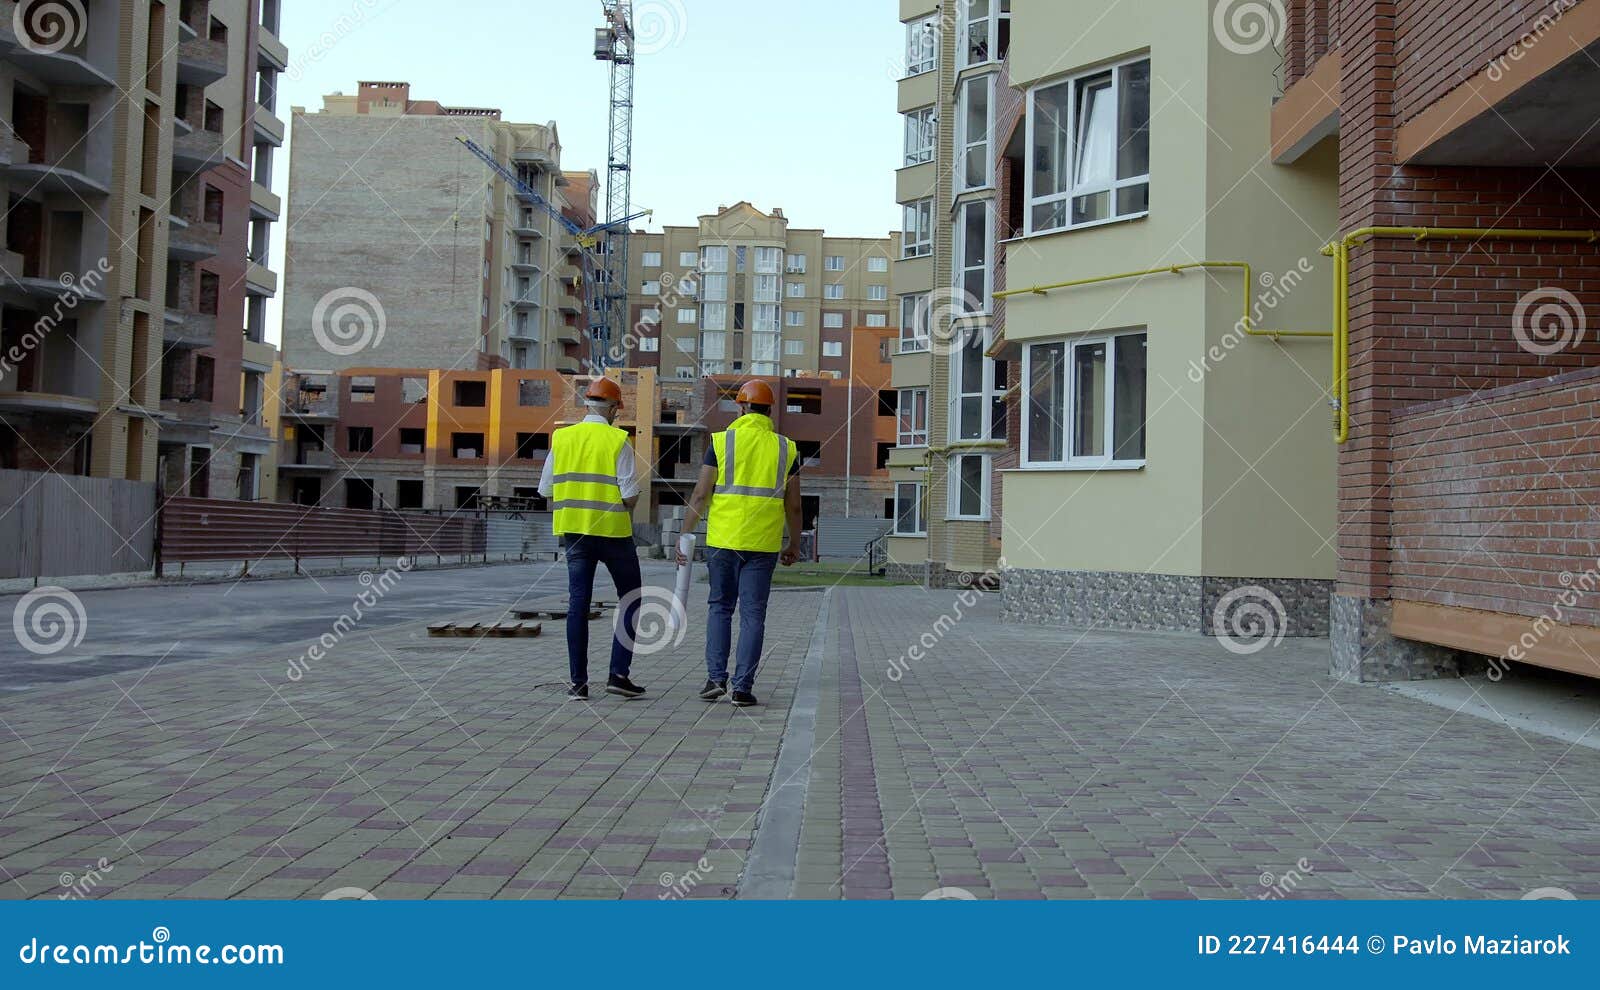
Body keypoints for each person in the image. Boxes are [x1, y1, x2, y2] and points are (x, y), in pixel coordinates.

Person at [677, 380, 802, 707]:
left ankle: (716, 679)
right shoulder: (786, 448)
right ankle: (742, 688)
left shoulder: (721, 442)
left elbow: (701, 494)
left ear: (742, 407)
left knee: (720, 607)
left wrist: (685, 535)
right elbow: (795, 504)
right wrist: (794, 543)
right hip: (763, 544)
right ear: (769, 410)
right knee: (753, 615)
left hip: (724, 540)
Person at [538, 377, 647, 702]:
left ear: (587, 405)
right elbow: (628, 495)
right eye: (617, 410)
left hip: (575, 534)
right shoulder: (617, 441)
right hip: (613, 534)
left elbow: (545, 490)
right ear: (613, 408)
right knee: (631, 599)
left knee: (578, 605)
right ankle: (618, 675)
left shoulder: (562, 438)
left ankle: (578, 684)